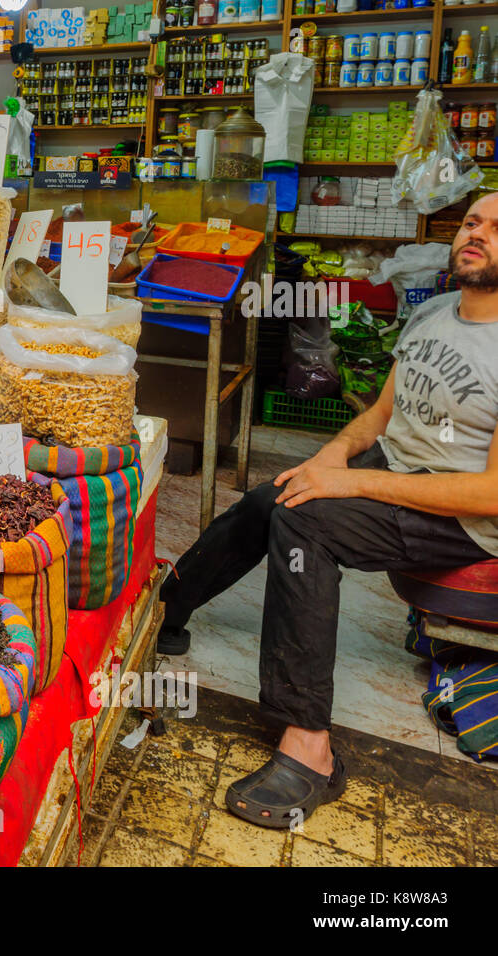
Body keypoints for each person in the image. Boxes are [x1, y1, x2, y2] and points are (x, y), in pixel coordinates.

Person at [158, 191, 498, 829]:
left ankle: (309, 747)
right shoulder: (437, 314)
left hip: (464, 518)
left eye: (496, 229)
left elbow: (491, 492)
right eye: (473, 222)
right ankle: (166, 611)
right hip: (397, 470)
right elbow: (379, 415)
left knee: (306, 520)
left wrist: (356, 488)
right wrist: (333, 461)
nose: (476, 234)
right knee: (274, 494)